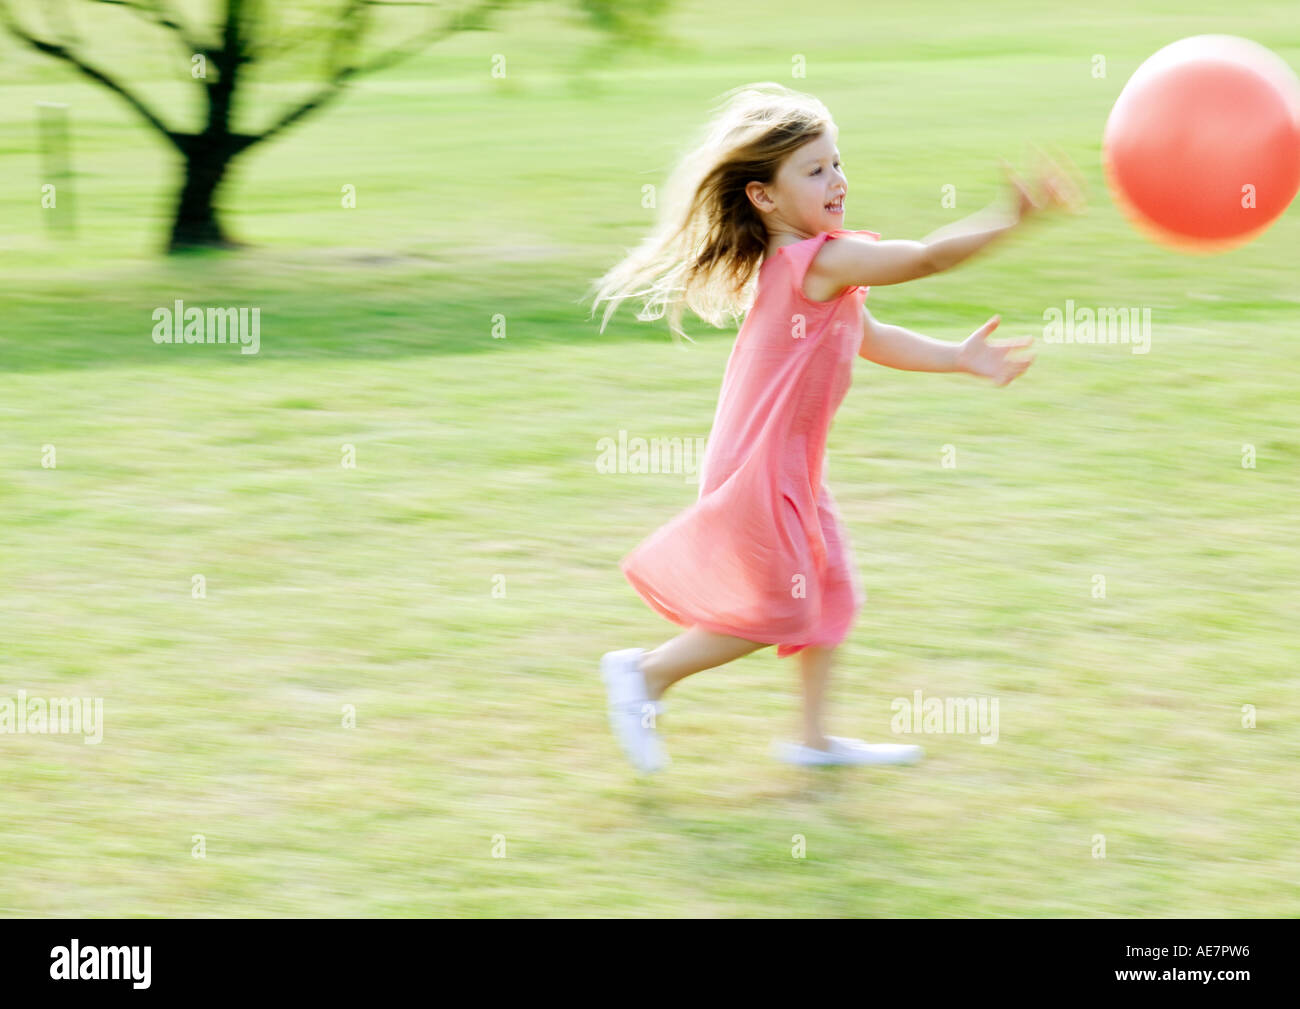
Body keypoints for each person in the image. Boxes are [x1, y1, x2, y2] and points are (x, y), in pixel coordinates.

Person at [586, 82, 1083, 773]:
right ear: (763, 196)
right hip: (763, 462)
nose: (838, 180)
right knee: (783, 604)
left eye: (838, 162)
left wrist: (957, 359)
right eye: (815, 171)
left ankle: (811, 739)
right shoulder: (813, 263)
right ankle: (645, 674)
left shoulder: (819, 267)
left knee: (828, 588)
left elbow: (867, 335)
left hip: (792, 463)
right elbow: (927, 257)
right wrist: (1009, 218)